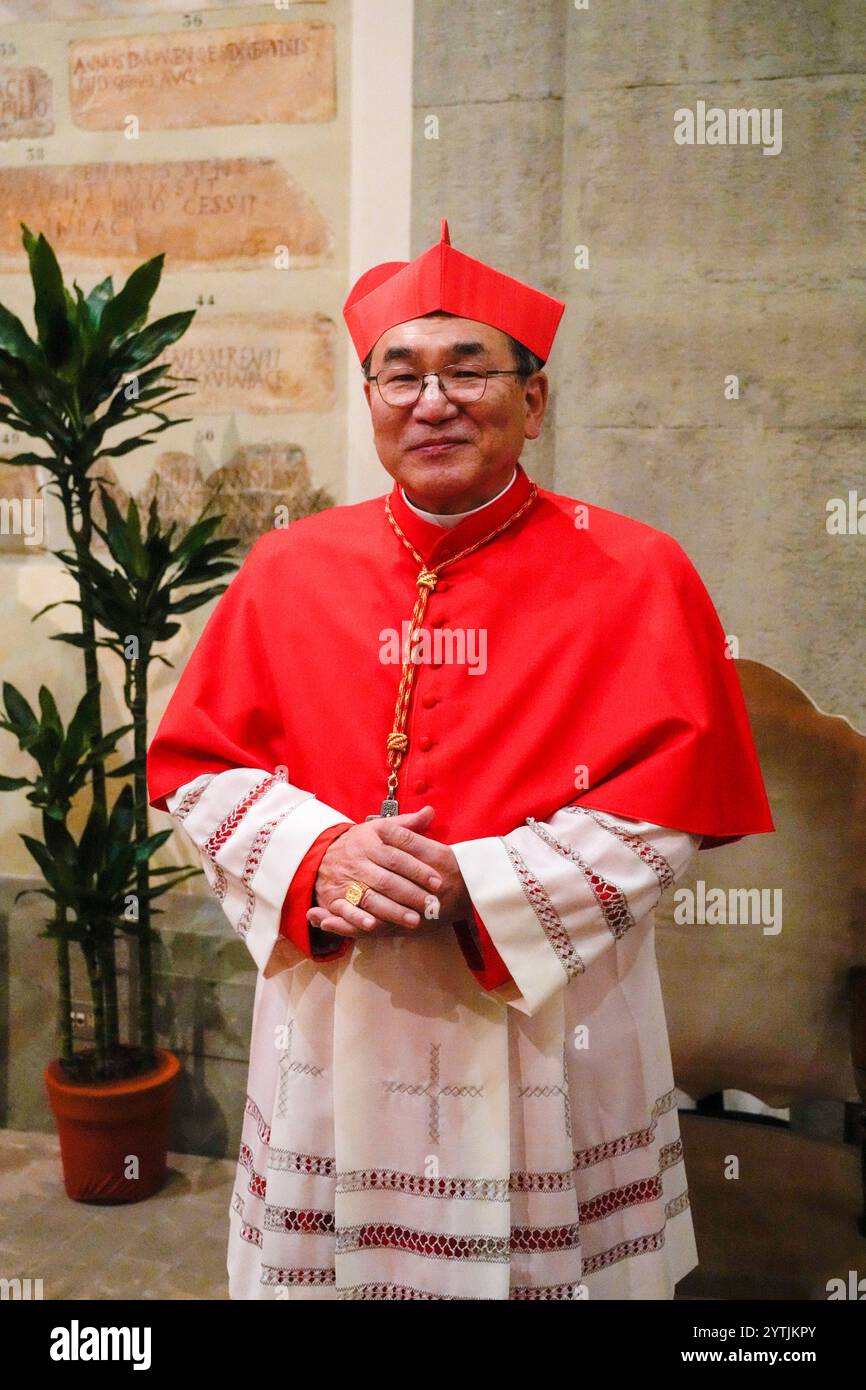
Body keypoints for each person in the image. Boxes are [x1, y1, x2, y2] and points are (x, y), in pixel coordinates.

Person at [146, 218, 774, 1301]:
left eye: (466, 370)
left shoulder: (635, 571)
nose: (430, 401)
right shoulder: (289, 568)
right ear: (372, 401)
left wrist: (474, 883)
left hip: (542, 1012)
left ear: (532, 402)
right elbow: (198, 766)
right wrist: (318, 854)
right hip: (338, 999)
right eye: (400, 376)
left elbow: (670, 808)